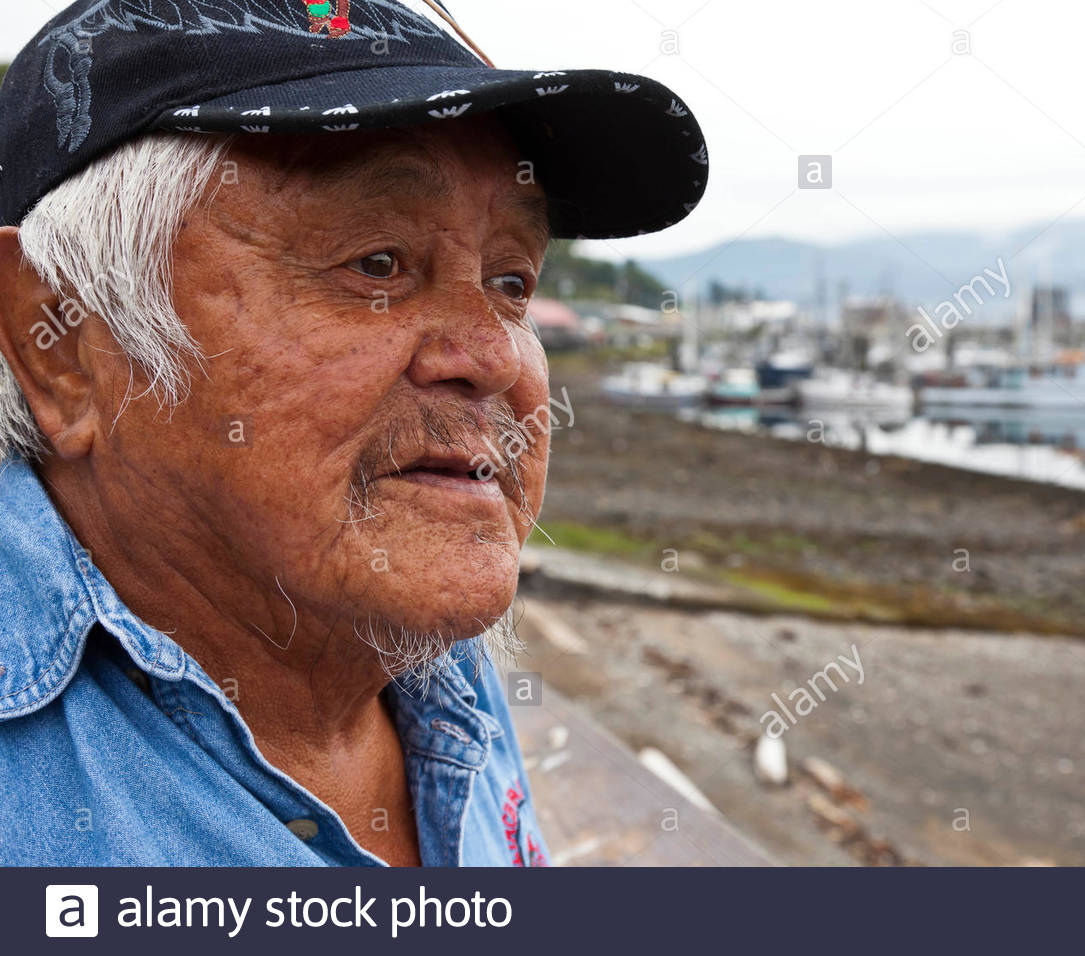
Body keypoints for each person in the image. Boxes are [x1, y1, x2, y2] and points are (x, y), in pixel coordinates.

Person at [0, 0, 706, 865]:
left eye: (511, 280)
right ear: (66, 344)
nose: (494, 355)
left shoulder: (422, 652)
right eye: (377, 264)